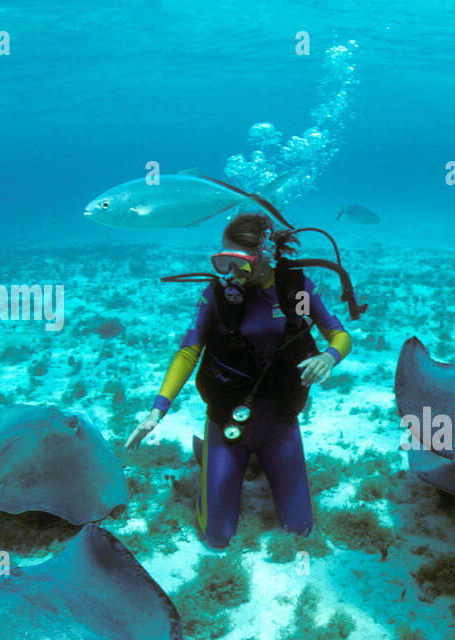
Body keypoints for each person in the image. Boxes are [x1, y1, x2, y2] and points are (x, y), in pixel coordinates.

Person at [127, 211, 353, 547]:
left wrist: (328, 356)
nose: (229, 274)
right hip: (226, 422)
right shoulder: (216, 296)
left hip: (281, 423)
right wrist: (157, 410)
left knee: (300, 529)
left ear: (266, 253)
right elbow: (188, 352)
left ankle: (252, 463)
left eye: (237, 262)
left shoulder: (297, 288)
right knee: (217, 537)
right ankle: (213, 456)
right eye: (222, 261)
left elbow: (339, 334)